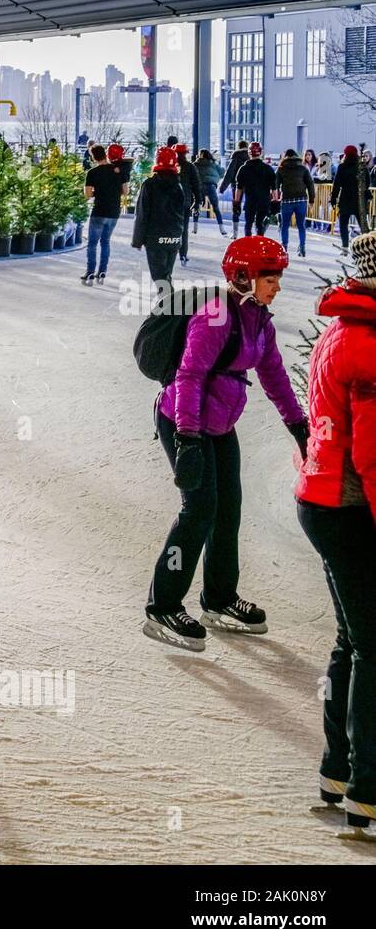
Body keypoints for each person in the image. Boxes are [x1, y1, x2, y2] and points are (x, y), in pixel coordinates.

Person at [143, 236, 306, 652]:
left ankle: (219, 599)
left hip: (218, 426)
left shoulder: (258, 320)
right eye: (271, 278)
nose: (278, 286)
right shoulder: (215, 316)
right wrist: (187, 438)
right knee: (198, 510)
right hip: (185, 421)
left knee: (227, 510)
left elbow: (274, 377)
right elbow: (190, 376)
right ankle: (163, 605)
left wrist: (298, 426)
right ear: (243, 276)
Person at [295, 232, 376, 839]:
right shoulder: (368, 344)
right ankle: (368, 790)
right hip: (350, 508)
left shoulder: (340, 328)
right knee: (374, 647)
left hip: (324, 501)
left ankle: (339, 773)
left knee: (353, 639)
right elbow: (373, 456)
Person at [131, 146, 187, 284]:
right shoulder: (179, 186)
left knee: (159, 277)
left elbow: (142, 214)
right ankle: (168, 301)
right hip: (174, 237)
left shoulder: (149, 185)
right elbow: (182, 212)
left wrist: (137, 240)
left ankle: (168, 302)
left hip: (155, 238)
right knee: (166, 274)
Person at [82, 144, 126, 284]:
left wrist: (99, 192)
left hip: (99, 212)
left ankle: (90, 272)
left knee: (92, 244)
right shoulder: (118, 171)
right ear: (105, 154)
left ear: (93, 157)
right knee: (105, 242)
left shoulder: (92, 173)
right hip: (114, 212)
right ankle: (102, 272)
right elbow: (125, 191)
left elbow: (88, 194)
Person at [275, 148, 315, 257]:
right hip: (301, 200)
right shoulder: (303, 168)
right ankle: (302, 247)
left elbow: (275, 185)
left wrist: (276, 198)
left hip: (287, 200)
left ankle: (284, 248)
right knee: (301, 225)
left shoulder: (281, 169)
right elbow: (310, 184)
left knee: (285, 225)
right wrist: (311, 200)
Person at [331, 144, 369, 257]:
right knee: (362, 223)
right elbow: (367, 182)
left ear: (346, 154)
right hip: (359, 199)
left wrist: (333, 198)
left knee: (343, 223)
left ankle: (345, 248)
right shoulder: (361, 166)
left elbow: (336, 184)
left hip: (346, 199)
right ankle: (367, 246)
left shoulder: (342, 167)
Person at [234, 142, 274, 238]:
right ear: (260, 152)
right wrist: (275, 200)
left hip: (250, 201)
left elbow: (239, 188)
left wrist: (236, 203)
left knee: (248, 224)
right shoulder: (268, 169)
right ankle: (259, 244)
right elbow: (274, 187)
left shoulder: (243, 169)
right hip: (264, 201)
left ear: (249, 153)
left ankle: (248, 244)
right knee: (260, 224)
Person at [174, 143, 200, 265]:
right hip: (185, 202)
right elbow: (196, 185)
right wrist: (197, 201)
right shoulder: (190, 167)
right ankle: (183, 255)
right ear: (185, 153)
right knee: (183, 229)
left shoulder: (171, 167)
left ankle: (171, 252)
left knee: (171, 229)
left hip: (171, 204)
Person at [219, 140, 250, 238]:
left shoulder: (236, 157)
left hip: (236, 186)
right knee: (251, 207)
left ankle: (235, 233)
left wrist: (222, 187)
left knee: (236, 207)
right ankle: (249, 232)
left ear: (238, 147)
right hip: (250, 185)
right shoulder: (251, 156)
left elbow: (229, 173)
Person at [193, 148, 226, 236]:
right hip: (211, 186)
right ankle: (222, 229)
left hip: (199, 187)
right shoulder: (213, 164)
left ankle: (195, 228)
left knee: (197, 205)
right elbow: (222, 173)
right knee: (216, 208)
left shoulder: (196, 164)